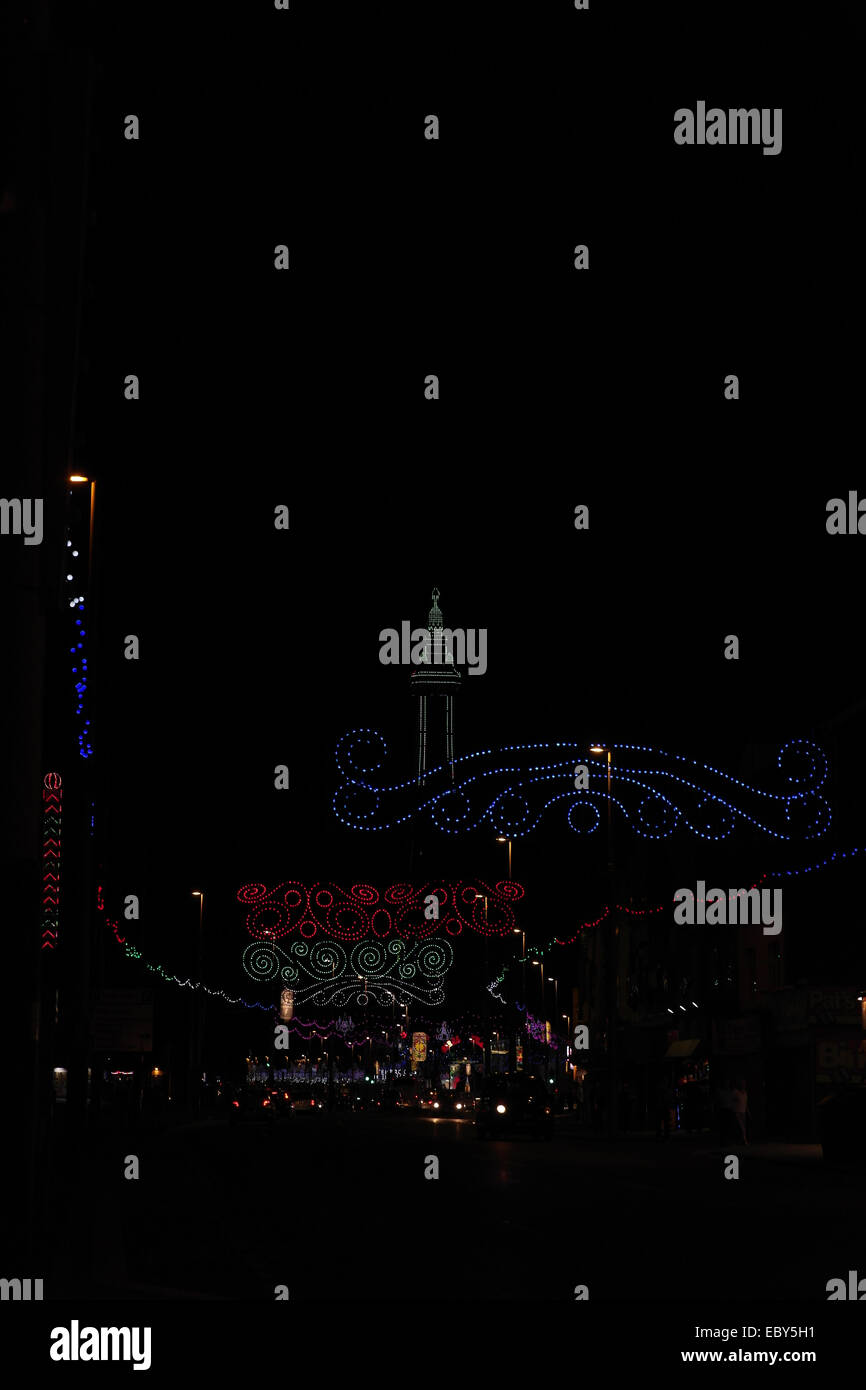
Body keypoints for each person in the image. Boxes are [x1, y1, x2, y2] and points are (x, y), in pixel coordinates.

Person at [730, 1079, 750, 1145]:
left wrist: (747, 1111)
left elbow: (745, 1102)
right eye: (742, 1083)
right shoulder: (735, 1092)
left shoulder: (744, 1092)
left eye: (744, 1083)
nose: (743, 1085)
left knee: (744, 1127)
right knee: (741, 1127)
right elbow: (731, 1101)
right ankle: (744, 1140)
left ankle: (742, 1140)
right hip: (737, 1112)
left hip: (743, 1111)